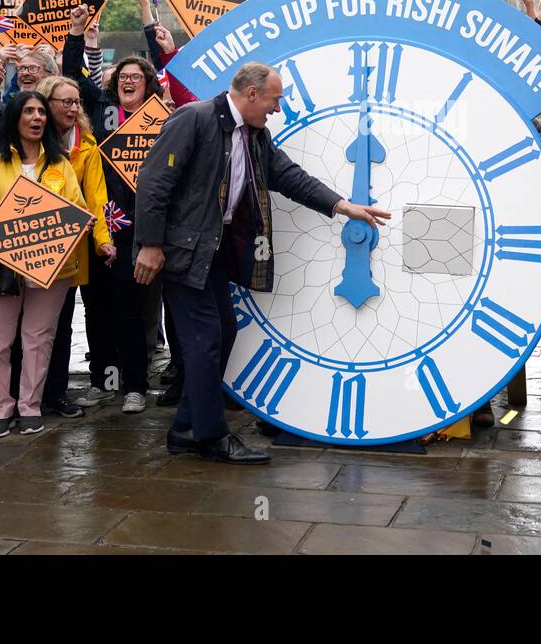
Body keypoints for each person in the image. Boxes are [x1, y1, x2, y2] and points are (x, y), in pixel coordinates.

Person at [133, 61, 390, 464]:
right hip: (183, 252)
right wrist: (150, 244)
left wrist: (343, 206)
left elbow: (288, 176)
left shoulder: (254, 135)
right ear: (252, 93)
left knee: (224, 332)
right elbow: (153, 181)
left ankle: (186, 428)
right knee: (204, 342)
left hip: (212, 253)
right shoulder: (195, 118)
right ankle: (212, 437)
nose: (277, 108)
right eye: (275, 99)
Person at [0, 92, 91, 439]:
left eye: (41, 112)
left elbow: (78, 208)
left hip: (52, 269)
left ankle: (30, 407)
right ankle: (0, 408)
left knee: (38, 339)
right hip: (2, 267)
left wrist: (75, 225)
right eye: (29, 111)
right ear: (15, 118)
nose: (37, 117)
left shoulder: (61, 164)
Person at [64, 6, 160, 414]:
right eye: (123, 78)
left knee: (131, 308)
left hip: (139, 228)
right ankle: (106, 379)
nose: (128, 82)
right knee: (97, 306)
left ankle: (135, 385)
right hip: (96, 225)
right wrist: (78, 35)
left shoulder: (162, 122)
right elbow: (73, 79)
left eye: (136, 78)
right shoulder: (101, 115)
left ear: (148, 85)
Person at [32, 75, 115, 417]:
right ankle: (38, 394)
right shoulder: (29, 143)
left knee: (79, 318)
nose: (72, 107)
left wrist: (104, 241)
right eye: (64, 102)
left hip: (79, 249)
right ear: (47, 105)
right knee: (43, 325)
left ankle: (76, 387)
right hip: (40, 247)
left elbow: (98, 200)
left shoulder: (89, 146)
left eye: (76, 102)